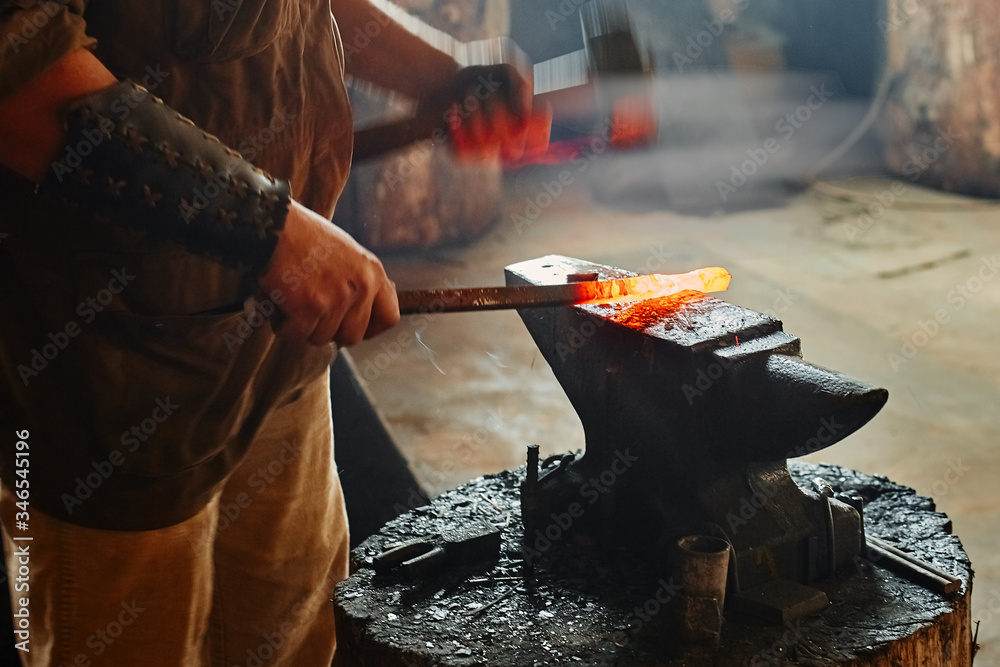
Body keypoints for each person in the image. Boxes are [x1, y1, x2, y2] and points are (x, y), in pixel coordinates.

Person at [0, 0, 542, 664]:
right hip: (115, 390)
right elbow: (21, 79)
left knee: (295, 639)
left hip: (282, 358)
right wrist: (267, 229)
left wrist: (438, 75)